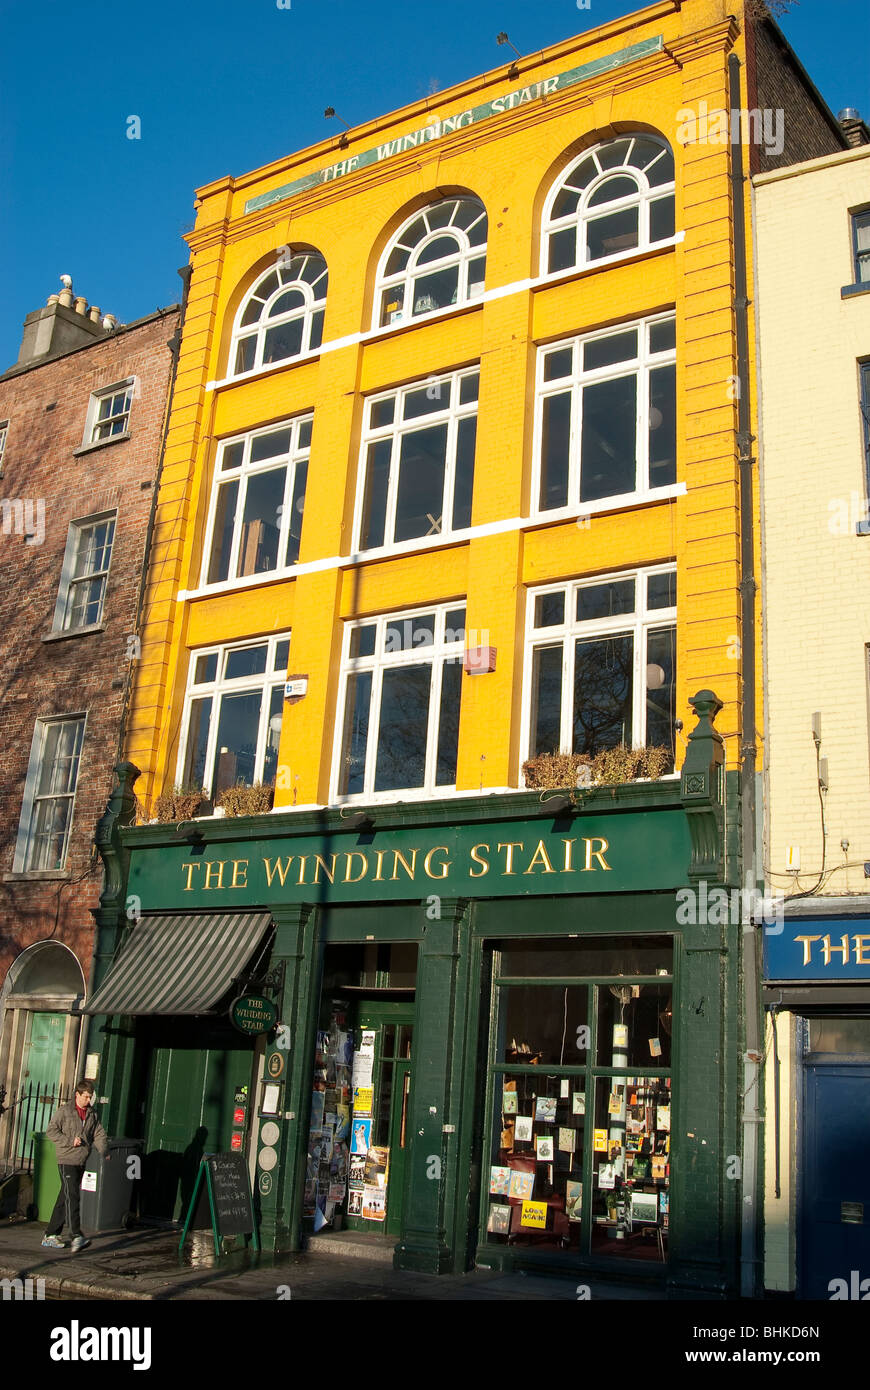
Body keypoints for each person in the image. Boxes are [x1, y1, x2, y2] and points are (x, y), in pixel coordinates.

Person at [42, 1080, 109, 1252]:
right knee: (72, 1195)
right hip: (66, 1159)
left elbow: (98, 1133)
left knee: (64, 1197)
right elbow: (51, 1131)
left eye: (90, 1097)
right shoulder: (64, 1111)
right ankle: (75, 1235)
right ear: (77, 1095)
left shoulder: (91, 1114)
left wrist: (104, 1151)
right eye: (85, 1097)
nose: (88, 1100)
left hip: (81, 1160)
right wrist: (70, 1141)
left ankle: (50, 1235)